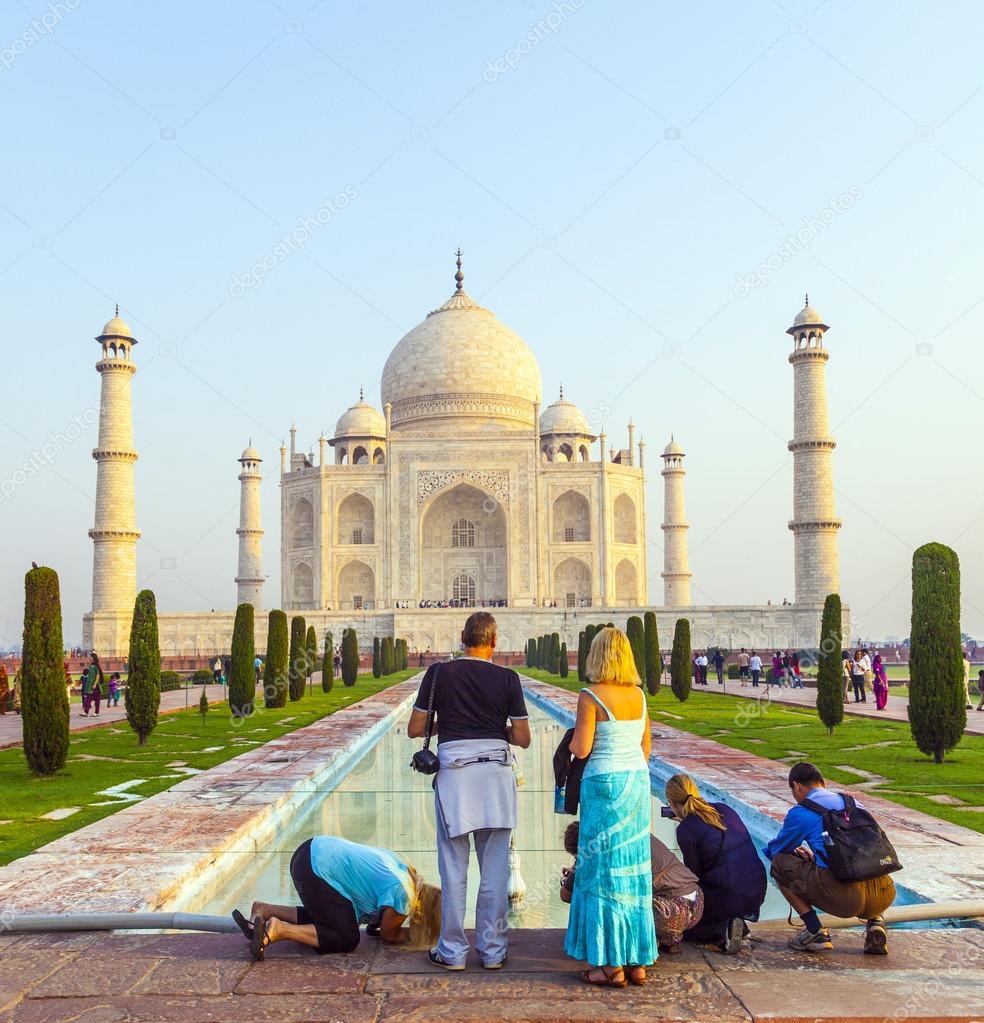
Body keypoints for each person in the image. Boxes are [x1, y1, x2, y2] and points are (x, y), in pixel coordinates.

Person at [407, 611, 531, 971]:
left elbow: (416, 728)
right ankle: (492, 952)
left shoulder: (438, 673)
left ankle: (453, 952)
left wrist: (451, 721)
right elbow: (522, 737)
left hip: (455, 776)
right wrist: (497, 729)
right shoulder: (508, 678)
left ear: (463, 639)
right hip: (495, 773)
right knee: (494, 872)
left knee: (453, 871)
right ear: (494, 643)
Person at [564, 627, 656, 987]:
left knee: (601, 867)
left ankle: (610, 965)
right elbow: (645, 747)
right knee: (632, 868)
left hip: (604, 783)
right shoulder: (639, 695)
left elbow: (582, 748)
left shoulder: (591, 695)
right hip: (636, 780)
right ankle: (637, 962)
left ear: (597, 656)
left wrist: (571, 742)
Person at [764, 762, 895, 954]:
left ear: (797, 786)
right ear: (822, 783)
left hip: (846, 899)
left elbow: (779, 849)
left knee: (779, 864)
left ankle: (815, 931)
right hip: (884, 894)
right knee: (868, 861)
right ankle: (876, 923)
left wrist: (792, 853)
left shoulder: (802, 812)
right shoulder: (853, 803)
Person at [236, 836, 441, 958]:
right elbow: (389, 935)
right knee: (346, 937)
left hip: (308, 851)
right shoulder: (404, 895)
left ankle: (263, 910)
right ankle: (279, 929)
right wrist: (422, 936)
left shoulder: (404, 870)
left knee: (333, 919)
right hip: (316, 868)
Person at [560, 820, 702, 955]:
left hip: (670, 911)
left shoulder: (597, 851)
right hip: (697, 903)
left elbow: (565, 896)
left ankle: (640, 951)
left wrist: (575, 872)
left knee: (602, 902)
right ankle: (668, 938)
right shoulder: (629, 832)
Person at [665, 773, 767, 954]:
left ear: (671, 803)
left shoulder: (686, 830)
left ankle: (722, 930)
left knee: (682, 929)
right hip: (756, 888)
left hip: (728, 894)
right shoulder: (723, 808)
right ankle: (733, 922)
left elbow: (693, 876)